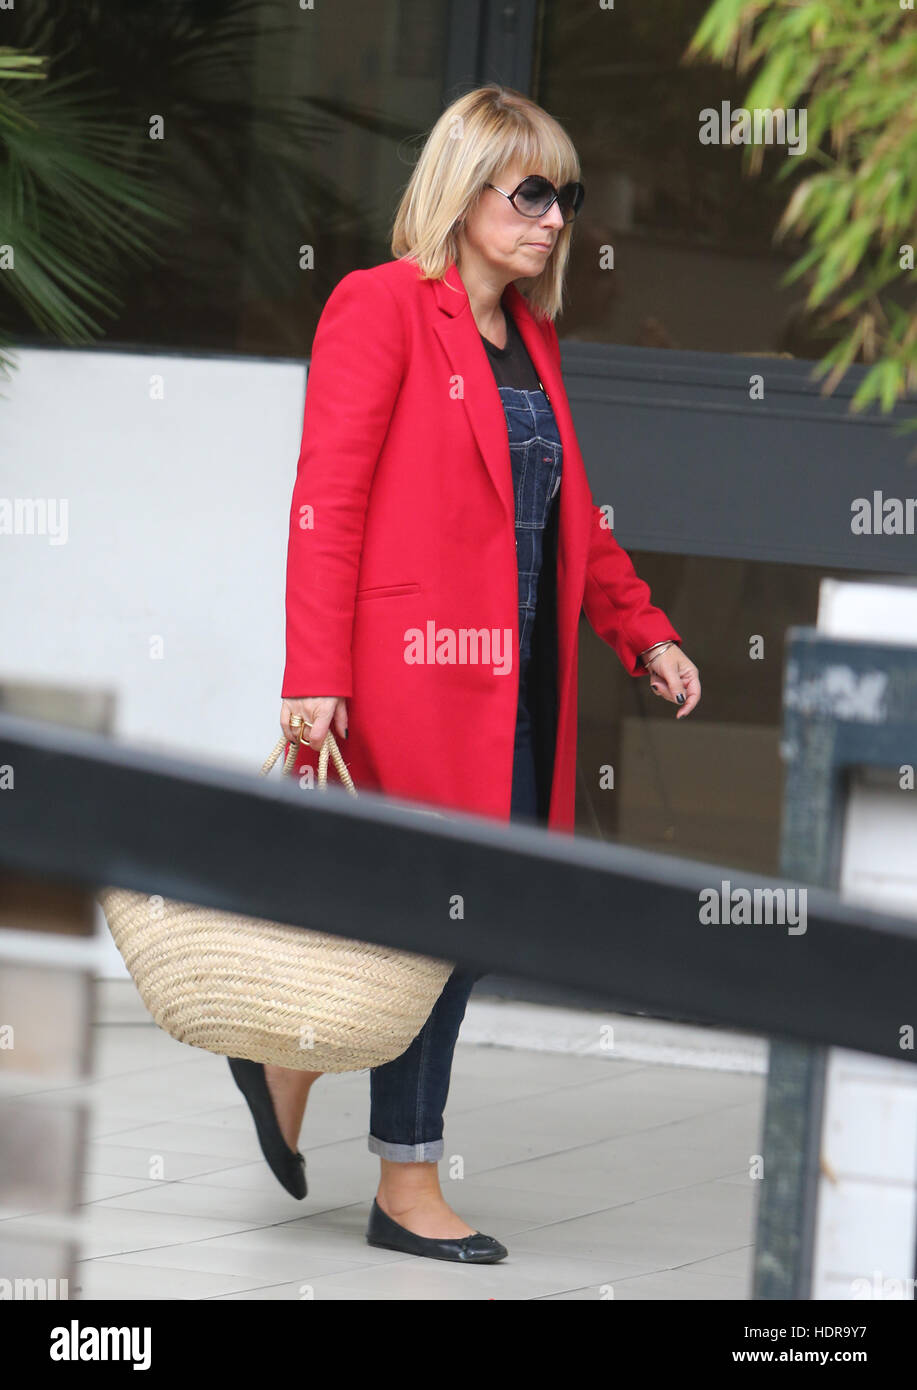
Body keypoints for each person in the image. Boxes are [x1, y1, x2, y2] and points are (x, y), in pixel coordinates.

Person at [229, 84, 701, 1266]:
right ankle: (406, 1181)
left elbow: (568, 523)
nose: (556, 218)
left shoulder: (528, 339)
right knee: (433, 924)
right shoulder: (378, 307)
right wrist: (313, 674)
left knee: (469, 923)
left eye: (567, 196)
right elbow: (323, 502)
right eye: (531, 190)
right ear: (463, 187)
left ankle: (289, 1054)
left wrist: (641, 630)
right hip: (407, 688)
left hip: (518, 692)